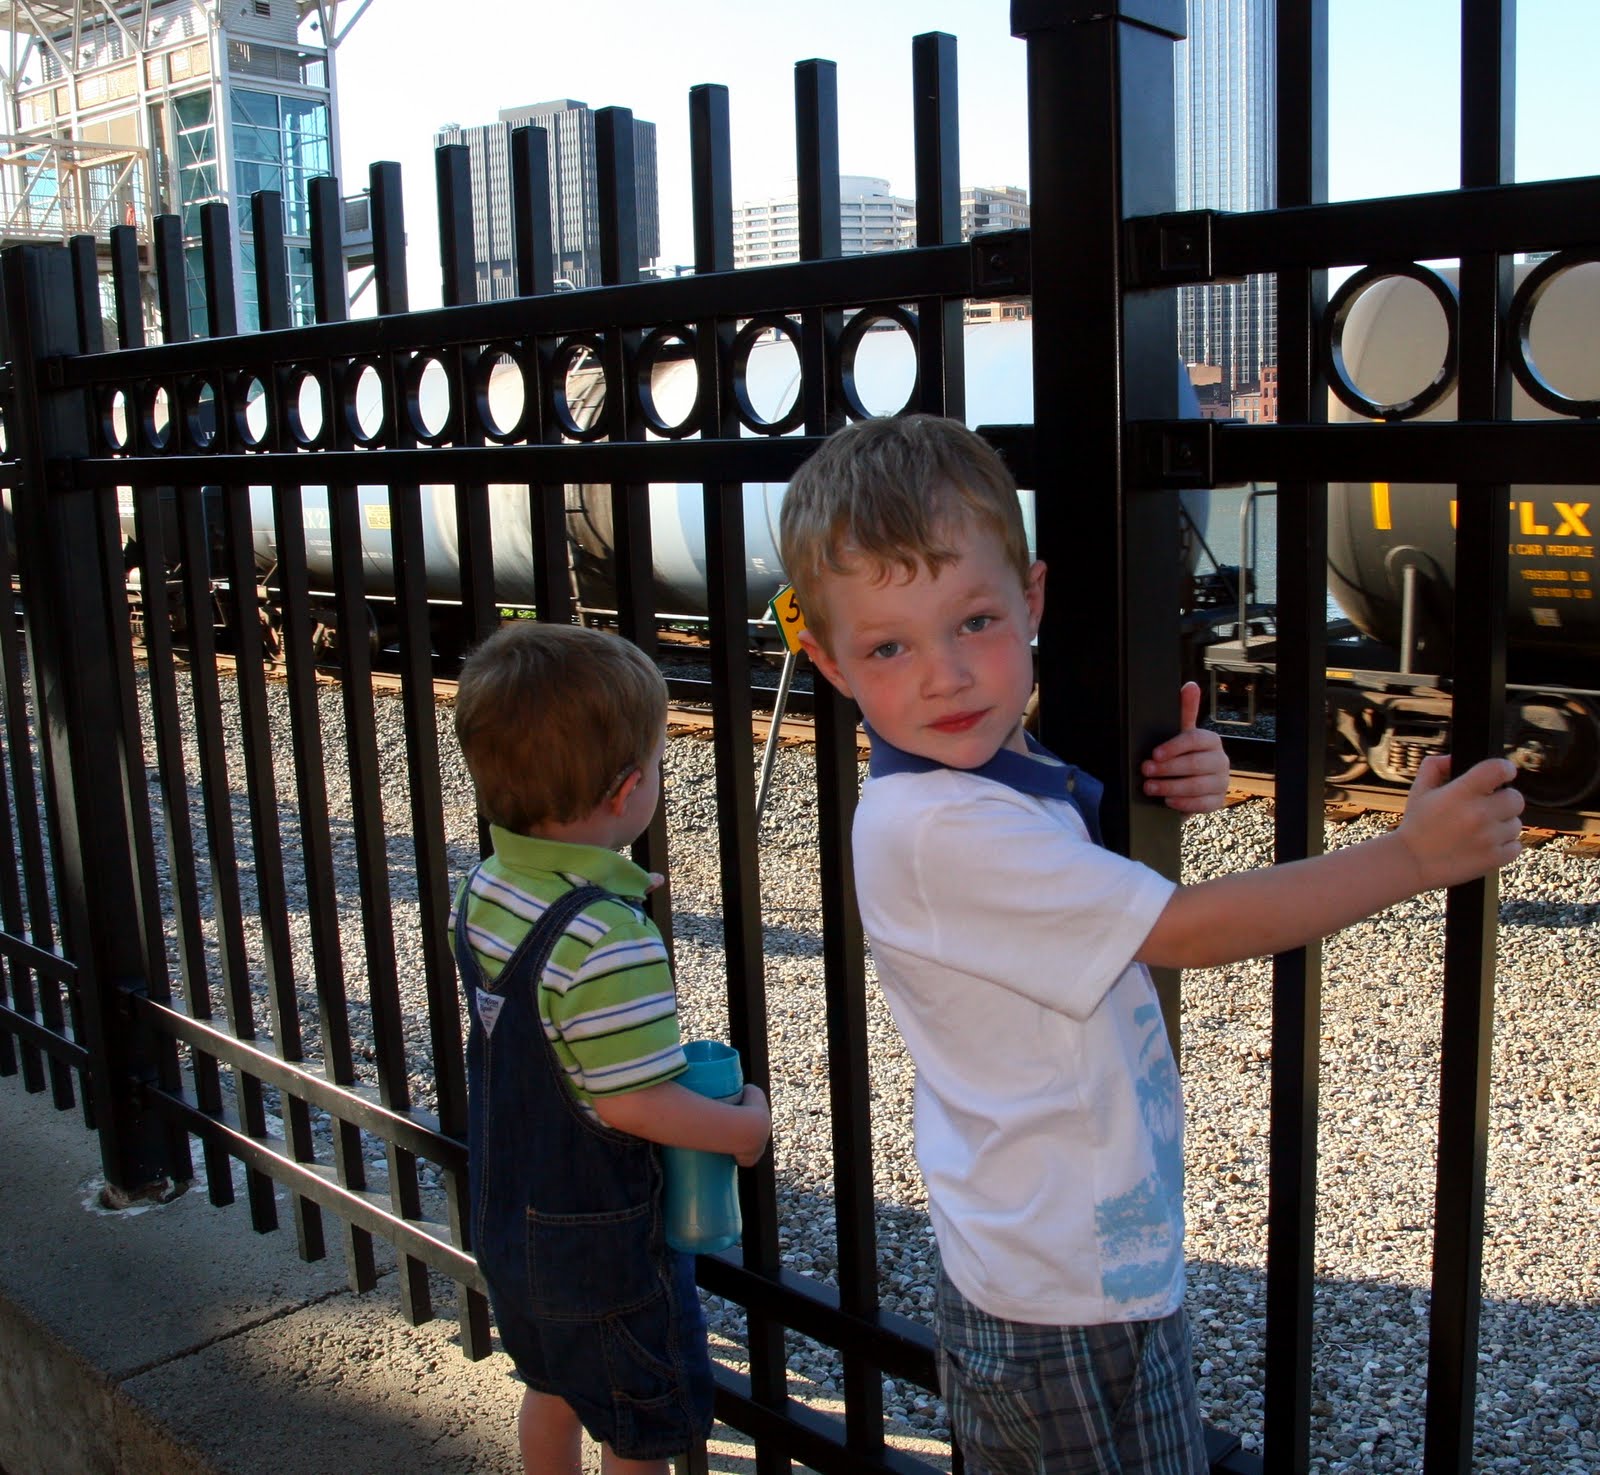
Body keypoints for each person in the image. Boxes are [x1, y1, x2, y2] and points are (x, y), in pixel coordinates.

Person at [776, 413, 1523, 1475]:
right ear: (827, 659)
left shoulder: (978, 767)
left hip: (1075, 1257)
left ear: (1031, 597)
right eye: (890, 646)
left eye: (976, 621)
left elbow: (1065, 825)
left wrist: (1173, 775)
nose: (945, 675)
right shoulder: (936, 827)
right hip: (1055, 1295)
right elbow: (1177, 929)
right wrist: (1408, 858)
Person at [451, 621, 772, 1475]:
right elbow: (635, 1101)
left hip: (507, 1219)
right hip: (600, 1247)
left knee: (550, 1387)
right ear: (630, 789)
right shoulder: (609, 939)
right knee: (640, 1428)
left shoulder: (487, 884)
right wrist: (740, 1126)